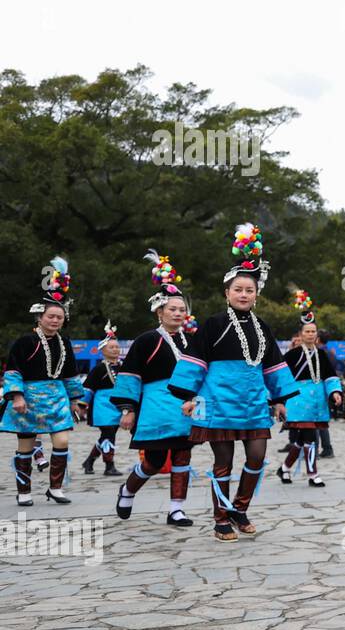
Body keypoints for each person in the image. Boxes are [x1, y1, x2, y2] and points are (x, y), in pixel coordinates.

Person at [168, 224, 298, 541]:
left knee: (256, 457)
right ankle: (221, 517)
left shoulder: (262, 327)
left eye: (249, 290)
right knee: (223, 460)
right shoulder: (213, 325)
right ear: (227, 293)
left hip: (253, 402)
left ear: (256, 294)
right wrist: (189, 396)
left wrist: (279, 400)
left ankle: (240, 508)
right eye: (238, 290)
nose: (244, 294)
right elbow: (196, 361)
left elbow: (272, 365)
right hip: (218, 402)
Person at [112, 251, 197, 526]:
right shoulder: (146, 340)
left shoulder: (193, 341)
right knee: (154, 461)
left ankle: (176, 509)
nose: (177, 313)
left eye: (182, 309)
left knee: (183, 455)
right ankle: (128, 489)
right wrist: (127, 408)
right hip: (155, 407)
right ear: (159, 312)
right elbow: (130, 375)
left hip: (186, 408)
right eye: (172, 309)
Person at [2, 257, 86, 505]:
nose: (55, 321)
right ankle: (24, 491)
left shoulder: (65, 342)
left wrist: (75, 400)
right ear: (40, 317)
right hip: (29, 398)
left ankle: (55, 488)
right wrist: (16, 396)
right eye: (51, 316)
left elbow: (70, 373)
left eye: (59, 317)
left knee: (62, 440)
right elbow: (13, 370)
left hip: (57, 396)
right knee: (26, 446)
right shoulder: (25, 342)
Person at [275, 290, 344, 488]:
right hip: (298, 401)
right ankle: (313, 473)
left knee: (301, 439)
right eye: (307, 331)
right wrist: (279, 400)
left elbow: (331, 377)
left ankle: (285, 468)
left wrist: (335, 392)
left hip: (317, 401)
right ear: (300, 334)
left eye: (313, 331)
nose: (311, 334)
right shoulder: (291, 356)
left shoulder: (323, 355)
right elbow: (281, 379)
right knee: (309, 437)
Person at [81, 321, 125, 476]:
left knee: (108, 434)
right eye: (111, 347)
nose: (115, 350)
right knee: (108, 434)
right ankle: (109, 465)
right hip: (102, 405)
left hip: (118, 405)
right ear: (102, 350)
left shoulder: (123, 366)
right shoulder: (99, 368)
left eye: (116, 347)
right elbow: (88, 388)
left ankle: (89, 461)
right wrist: (82, 405)